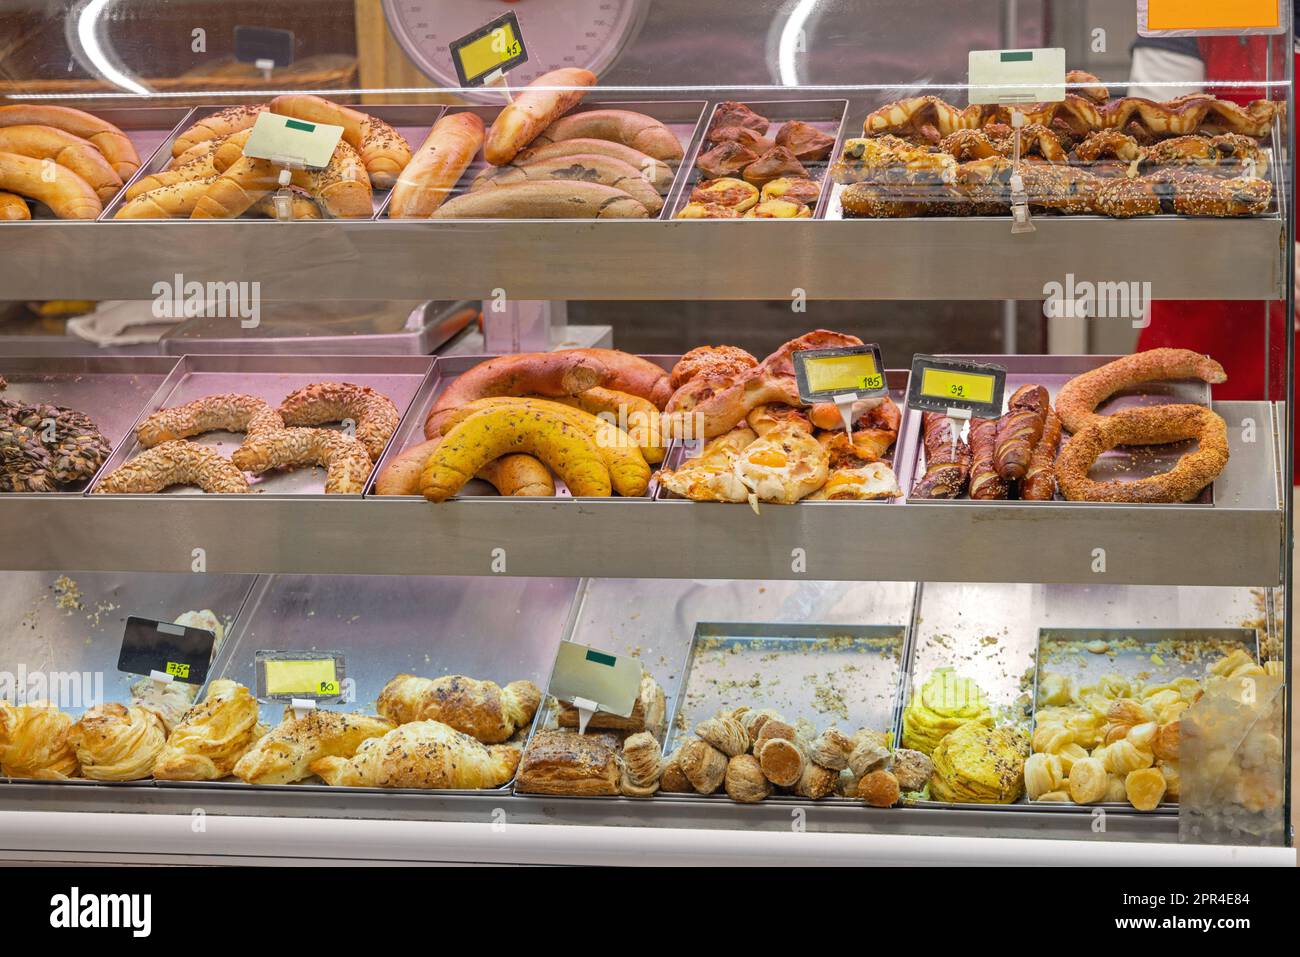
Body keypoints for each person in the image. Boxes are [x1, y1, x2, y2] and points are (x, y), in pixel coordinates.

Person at [1129, 22, 1296, 478]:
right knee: (1199, 490)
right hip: (1209, 317)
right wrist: (1264, 249)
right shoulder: (1189, 14)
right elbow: (1160, 161)